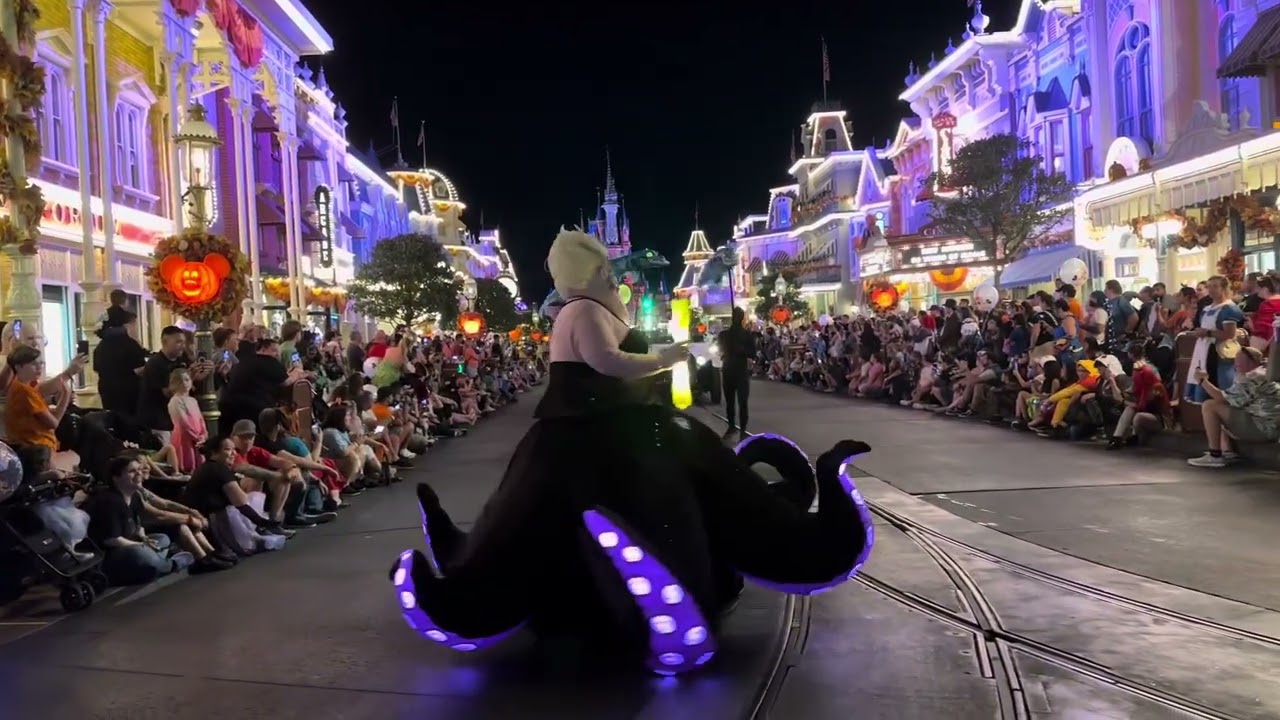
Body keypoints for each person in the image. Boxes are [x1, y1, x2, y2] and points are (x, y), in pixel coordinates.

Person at [390, 228, 874, 674]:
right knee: (564, 509)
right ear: (592, 271)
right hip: (590, 424)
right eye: (603, 267)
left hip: (620, 419)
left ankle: (690, 577)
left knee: (702, 492)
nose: (610, 274)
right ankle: (639, 600)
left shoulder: (590, 309)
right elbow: (608, 361)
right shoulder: (583, 311)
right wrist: (662, 358)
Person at [718, 306, 755, 439]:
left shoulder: (747, 335)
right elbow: (720, 349)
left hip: (740, 371)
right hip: (729, 369)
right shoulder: (724, 335)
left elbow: (753, 353)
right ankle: (732, 426)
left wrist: (741, 350)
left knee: (742, 402)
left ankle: (742, 430)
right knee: (730, 402)